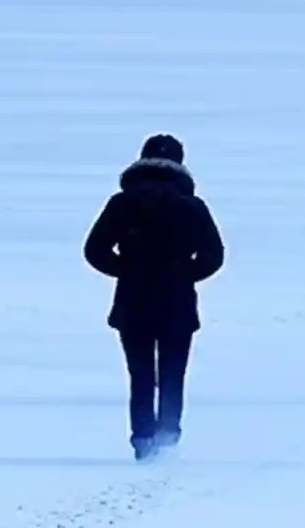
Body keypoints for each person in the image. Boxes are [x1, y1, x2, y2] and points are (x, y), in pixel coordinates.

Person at [83, 135, 225, 461]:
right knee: (173, 373)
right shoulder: (191, 206)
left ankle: (143, 437)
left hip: (133, 300)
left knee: (141, 374)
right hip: (177, 301)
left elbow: (94, 250)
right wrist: (185, 274)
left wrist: (126, 269)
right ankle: (168, 434)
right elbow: (214, 255)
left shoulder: (121, 204)